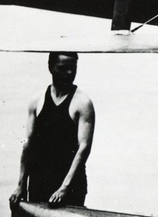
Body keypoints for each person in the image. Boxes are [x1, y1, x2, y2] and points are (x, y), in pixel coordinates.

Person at [11, 52, 95, 206]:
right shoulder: (37, 100)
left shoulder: (83, 103)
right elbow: (28, 145)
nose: (69, 73)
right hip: (39, 181)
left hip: (70, 186)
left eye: (72, 68)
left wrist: (64, 187)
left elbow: (84, 148)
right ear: (50, 67)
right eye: (63, 68)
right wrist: (21, 185)